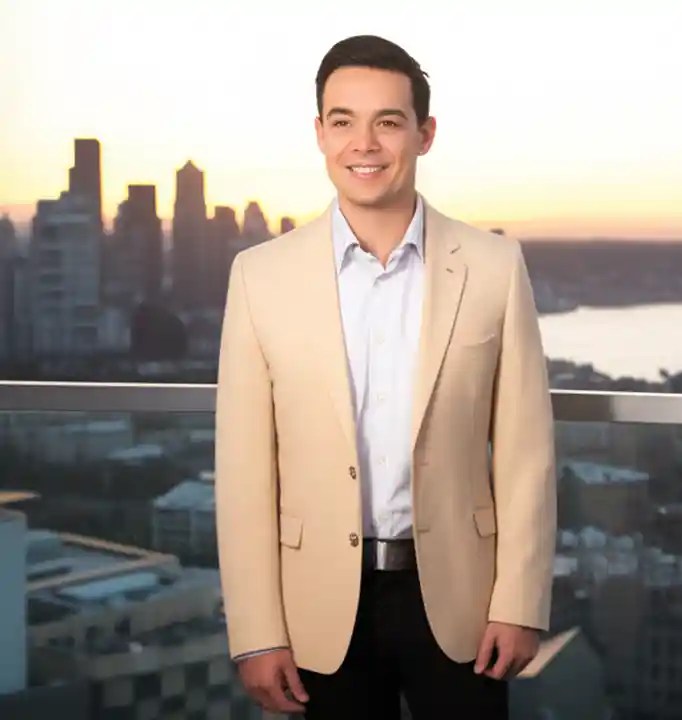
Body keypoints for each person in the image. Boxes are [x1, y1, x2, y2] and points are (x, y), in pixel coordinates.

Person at [214, 34, 556, 719]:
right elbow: (245, 469)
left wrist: (520, 603)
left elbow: (525, 452)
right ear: (319, 133)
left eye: (388, 122)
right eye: (342, 121)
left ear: (424, 135)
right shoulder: (259, 276)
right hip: (317, 610)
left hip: (463, 603)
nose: (363, 144)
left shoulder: (493, 266)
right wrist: (256, 631)